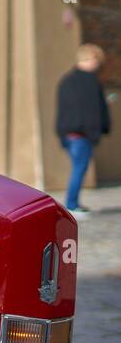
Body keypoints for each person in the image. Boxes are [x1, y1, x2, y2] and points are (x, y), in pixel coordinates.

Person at [55, 43, 110, 219]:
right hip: (82, 135)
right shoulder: (91, 82)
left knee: (78, 167)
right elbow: (95, 110)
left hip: (68, 134)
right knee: (79, 168)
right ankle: (71, 205)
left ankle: (73, 204)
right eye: (97, 60)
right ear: (92, 59)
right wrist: (99, 130)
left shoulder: (66, 80)